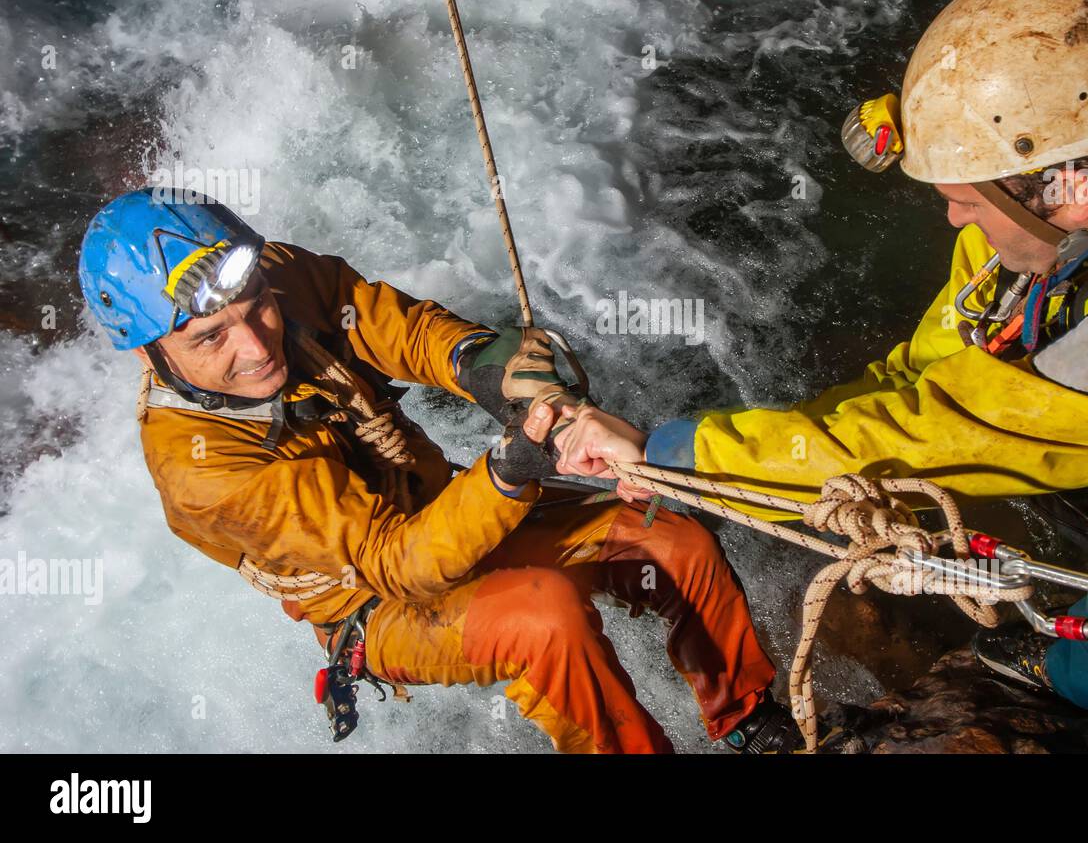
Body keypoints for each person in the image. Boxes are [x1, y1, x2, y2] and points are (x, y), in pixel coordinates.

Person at [554, 0, 1088, 747]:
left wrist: (674, 452)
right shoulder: (1033, 242)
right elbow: (916, 382)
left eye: (963, 197)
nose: (951, 220)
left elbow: (955, 430)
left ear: (1070, 188)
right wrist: (745, 460)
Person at [77, 186, 864, 753]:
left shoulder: (275, 277)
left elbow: (396, 327)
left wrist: (490, 367)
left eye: (257, 309)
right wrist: (515, 465)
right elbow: (401, 563)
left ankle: (753, 721)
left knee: (672, 538)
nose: (256, 346)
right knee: (543, 615)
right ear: (152, 350)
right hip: (378, 599)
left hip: (448, 512)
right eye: (211, 339)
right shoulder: (203, 469)